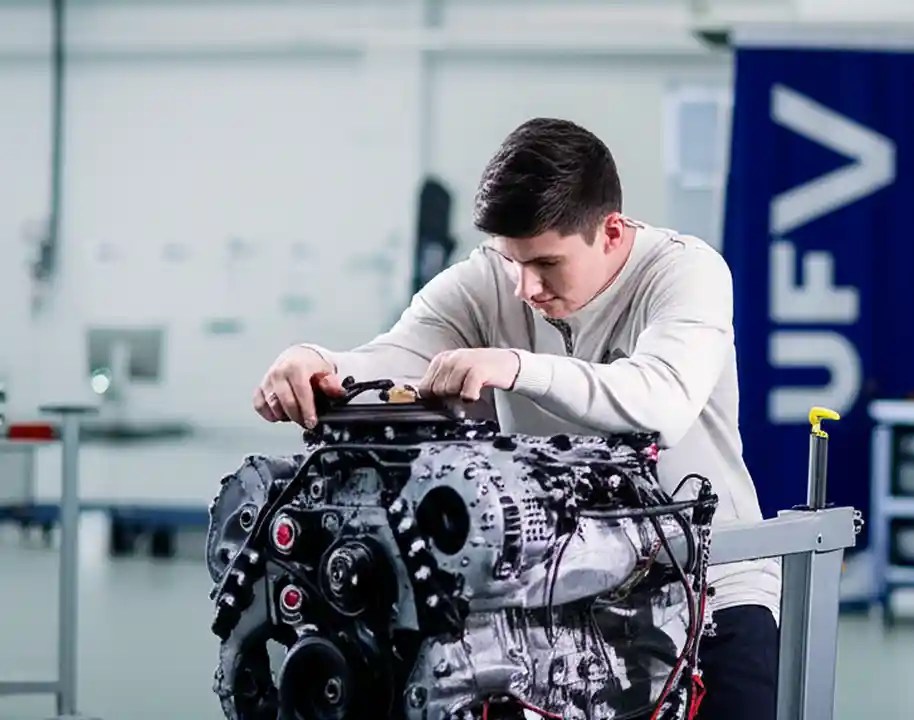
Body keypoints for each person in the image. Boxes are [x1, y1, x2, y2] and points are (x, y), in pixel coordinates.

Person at [252, 117, 781, 720]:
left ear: (611, 231)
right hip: (565, 594)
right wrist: (319, 364)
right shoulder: (490, 279)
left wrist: (515, 366)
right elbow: (398, 353)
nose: (525, 287)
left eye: (547, 264)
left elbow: (660, 405)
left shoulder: (685, 273)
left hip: (705, 583)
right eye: (512, 262)